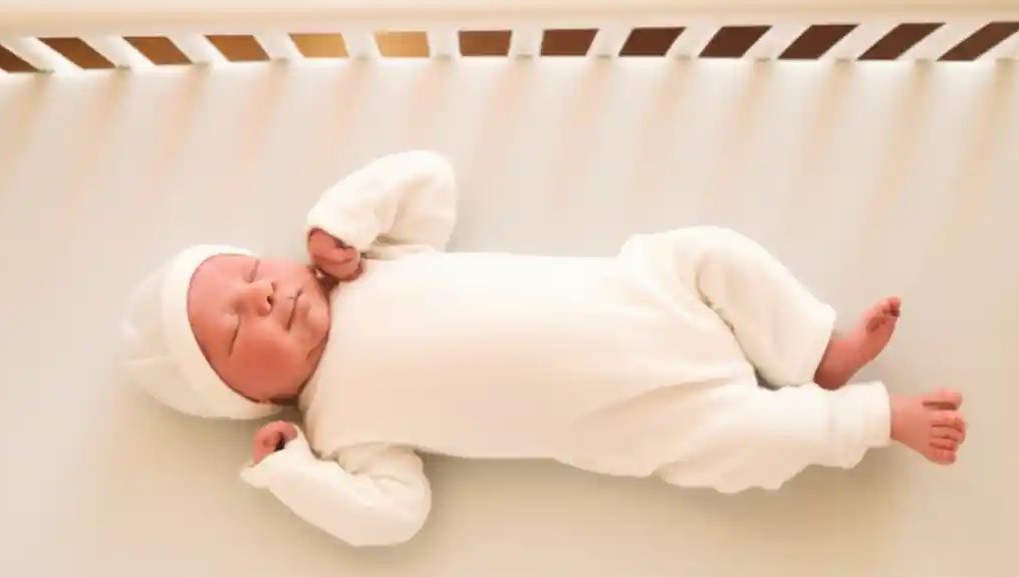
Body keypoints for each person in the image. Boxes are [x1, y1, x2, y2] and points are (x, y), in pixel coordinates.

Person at [120, 151, 966, 547]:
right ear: (251, 399)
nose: (263, 293)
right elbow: (393, 517)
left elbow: (431, 182)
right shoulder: (340, 429)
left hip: (647, 291)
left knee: (711, 247)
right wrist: (293, 473)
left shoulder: (363, 264)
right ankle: (866, 417)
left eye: (248, 270)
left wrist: (342, 218)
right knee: (748, 443)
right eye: (236, 328)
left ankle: (816, 349)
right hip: (646, 421)